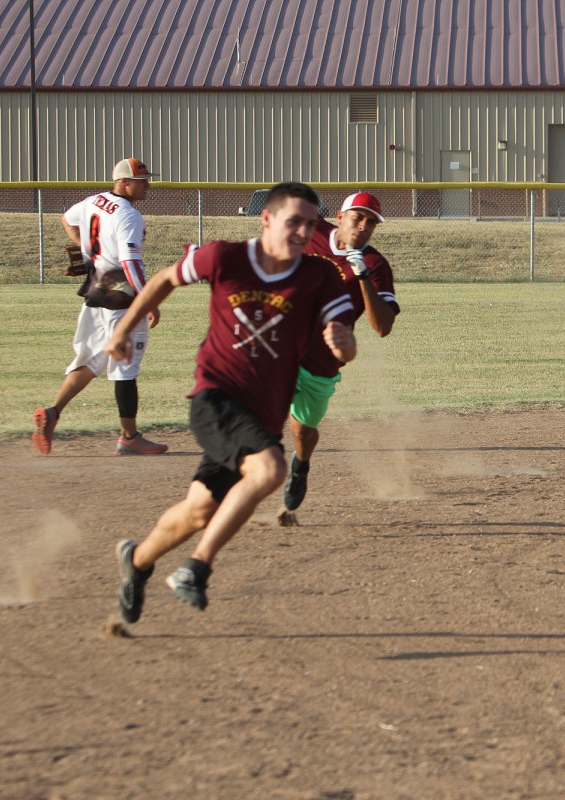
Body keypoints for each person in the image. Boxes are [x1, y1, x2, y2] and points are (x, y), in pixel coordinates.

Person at [107, 182, 357, 622]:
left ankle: (139, 560)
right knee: (271, 469)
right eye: (293, 220)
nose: (302, 231)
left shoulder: (318, 277)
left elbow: (346, 339)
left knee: (200, 509)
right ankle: (196, 569)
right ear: (267, 219)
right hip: (216, 396)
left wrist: (342, 343)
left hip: (263, 414)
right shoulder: (225, 257)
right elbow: (167, 277)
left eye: (310, 224)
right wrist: (124, 329)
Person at [278, 190, 401, 525]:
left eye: (371, 222)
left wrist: (362, 278)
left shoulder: (375, 265)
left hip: (324, 361)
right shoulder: (313, 230)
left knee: (304, 431)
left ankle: (300, 466)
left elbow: (383, 327)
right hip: (283, 347)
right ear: (341, 216)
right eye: (358, 217)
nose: (363, 226)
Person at [31, 157, 168, 456]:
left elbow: (68, 218)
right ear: (124, 182)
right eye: (142, 180)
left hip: (96, 292)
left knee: (91, 359)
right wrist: (148, 300)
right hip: (121, 297)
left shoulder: (94, 201)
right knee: (125, 368)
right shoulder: (128, 215)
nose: (148, 186)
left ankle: (52, 412)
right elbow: (130, 262)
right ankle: (129, 437)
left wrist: (89, 252)